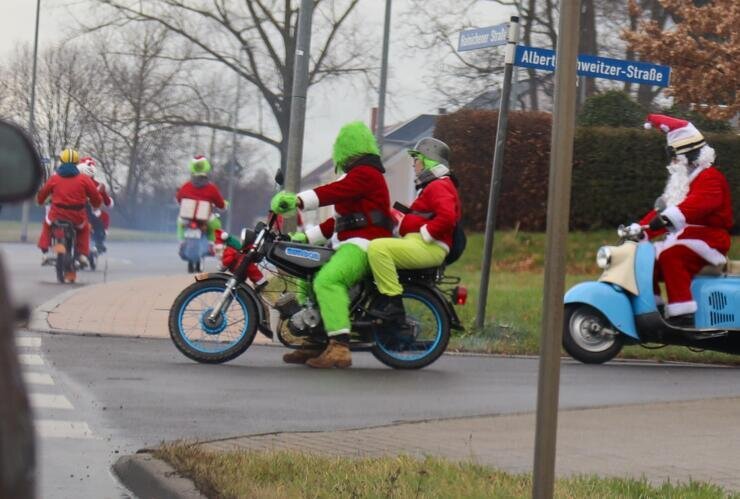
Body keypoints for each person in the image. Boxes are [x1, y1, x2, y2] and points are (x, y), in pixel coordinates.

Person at [271, 121, 393, 368]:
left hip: (364, 244)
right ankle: (315, 341)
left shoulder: (366, 174)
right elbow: (338, 222)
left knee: (328, 280)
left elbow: (334, 191)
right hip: (348, 242)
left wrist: (298, 201)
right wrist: (305, 239)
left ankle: (339, 347)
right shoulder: (358, 174)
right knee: (309, 276)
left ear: (345, 148)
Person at [631, 114, 733, 326]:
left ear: (690, 155)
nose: (673, 163)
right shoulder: (682, 181)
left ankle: (682, 313)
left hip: (708, 240)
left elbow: (696, 206)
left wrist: (667, 219)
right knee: (646, 259)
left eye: (676, 157)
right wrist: (641, 230)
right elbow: (665, 207)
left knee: (672, 256)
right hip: (683, 237)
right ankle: (653, 308)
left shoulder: (710, 177)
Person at [367, 137, 461, 324]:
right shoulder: (433, 186)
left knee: (378, 249)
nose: (413, 164)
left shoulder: (439, 185)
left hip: (429, 246)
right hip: (421, 243)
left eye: (416, 159)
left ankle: (393, 304)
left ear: (428, 160)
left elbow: (447, 217)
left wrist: (426, 233)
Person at [37, 148, 102, 266]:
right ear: (77, 163)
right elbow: (95, 196)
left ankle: (45, 251)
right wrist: (96, 204)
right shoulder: (84, 179)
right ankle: (82, 255)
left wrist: (40, 201)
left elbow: (42, 194)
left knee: (47, 225)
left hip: (57, 214)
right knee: (84, 229)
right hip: (77, 216)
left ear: (61, 161)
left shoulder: (54, 178)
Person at [175, 155, 227, 245]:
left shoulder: (186, 186)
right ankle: (211, 243)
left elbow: (179, 199)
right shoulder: (211, 188)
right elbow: (220, 204)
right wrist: (224, 205)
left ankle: (182, 241)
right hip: (205, 218)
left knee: (180, 221)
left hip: (187, 217)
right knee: (216, 225)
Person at [78, 157, 114, 252]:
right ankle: (99, 243)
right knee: (104, 218)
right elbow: (109, 204)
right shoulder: (98, 185)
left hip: (70, 211)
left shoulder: (73, 181)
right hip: (87, 212)